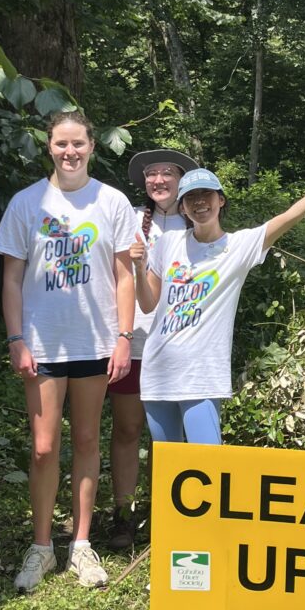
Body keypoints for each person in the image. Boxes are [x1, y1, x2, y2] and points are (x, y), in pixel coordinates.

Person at [0, 111, 138, 593]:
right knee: (43, 447)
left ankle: (80, 544)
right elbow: (11, 279)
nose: (70, 151)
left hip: (96, 342)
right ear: (49, 147)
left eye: (78, 143)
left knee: (88, 443)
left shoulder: (112, 201)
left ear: (92, 146)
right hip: (43, 341)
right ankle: (40, 548)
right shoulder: (27, 202)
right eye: (61, 144)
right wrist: (16, 338)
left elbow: (123, 275)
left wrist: (123, 336)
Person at [133, 156, 305, 445]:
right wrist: (140, 270)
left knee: (206, 469)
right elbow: (147, 303)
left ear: (221, 200)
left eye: (206, 194)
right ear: (182, 207)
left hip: (200, 376)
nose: (200, 202)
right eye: (191, 197)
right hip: (158, 370)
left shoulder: (240, 246)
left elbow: (291, 216)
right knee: (167, 469)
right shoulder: (168, 243)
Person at [97, 147, 196, 550]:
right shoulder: (132, 222)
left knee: (168, 435)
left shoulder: (198, 220)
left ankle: (166, 512)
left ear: (181, 179)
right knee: (128, 428)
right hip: (136, 341)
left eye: (166, 173)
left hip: (181, 343)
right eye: (151, 174)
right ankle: (124, 514)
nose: (158, 180)